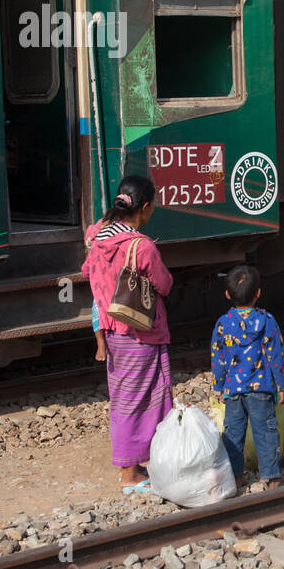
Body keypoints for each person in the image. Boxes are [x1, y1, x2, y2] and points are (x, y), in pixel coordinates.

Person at [81, 175, 174, 494]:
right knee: (142, 401)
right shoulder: (141, 246)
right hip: (139, 334)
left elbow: (86, 272)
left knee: (123, 400)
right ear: (145, 208)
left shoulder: (98, 237)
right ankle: (129, 474)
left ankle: (132, 465)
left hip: (111, 332)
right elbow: (164, 285)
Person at [211, 265, 284, 490]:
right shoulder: (267, 321)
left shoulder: (222, 324)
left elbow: (217, 358)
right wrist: (282, 385)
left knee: (233, 434)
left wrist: (218, 386)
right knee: (265, 431)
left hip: (233, 391)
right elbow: (276, 355)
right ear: (258, 292)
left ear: (227, 295)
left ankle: (236, 477)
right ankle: (272, 476)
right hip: (262, 390)